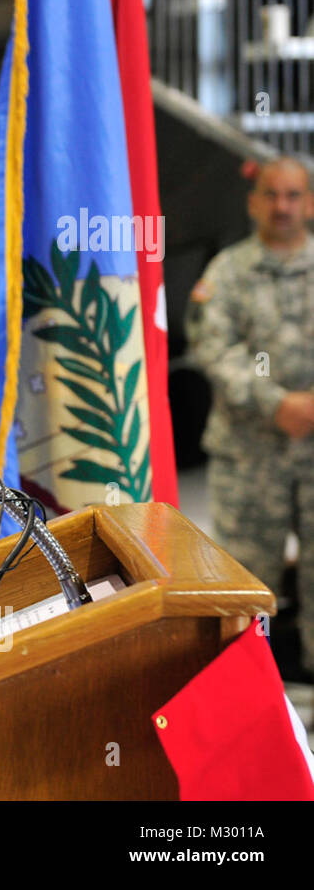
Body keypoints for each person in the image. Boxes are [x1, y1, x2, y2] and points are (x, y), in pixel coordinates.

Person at [187, 156, 314, 683]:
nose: (282, 206)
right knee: (244, 589)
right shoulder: (227, 273)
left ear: (308, 202)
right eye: (272, 195)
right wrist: (277, 404)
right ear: (253, 201)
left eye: (293, 195)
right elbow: (215, 351)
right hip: (248, 461)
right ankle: (247, 703)